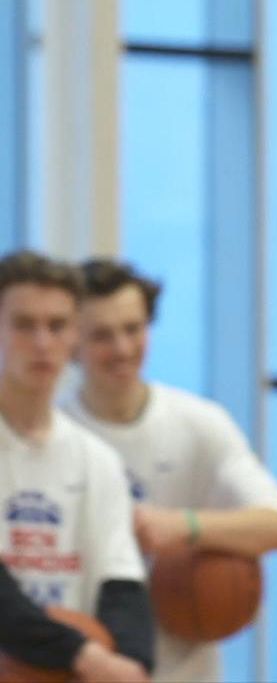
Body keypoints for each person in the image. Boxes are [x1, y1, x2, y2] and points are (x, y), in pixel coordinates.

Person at [62, 258, 277, 683]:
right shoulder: (53, 436)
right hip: (83, 665)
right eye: (102, 335)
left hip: (185, 668)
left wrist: (185, 526)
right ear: (72, 343)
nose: (122, 348)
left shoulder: (199, 424)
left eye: (133, 329)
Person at [0, 250, 153, 682]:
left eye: (57, 326)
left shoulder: (98, 460)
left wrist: (134, 663)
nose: (42, 342)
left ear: (75, 337)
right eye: (24, 325)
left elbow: (122, 583)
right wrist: (84, 655)